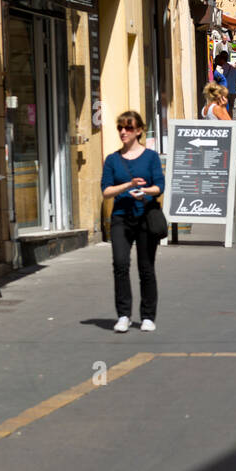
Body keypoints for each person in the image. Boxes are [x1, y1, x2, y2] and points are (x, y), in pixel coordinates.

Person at [101, 111, 166, 333]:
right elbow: (107, 191)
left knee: (146, 267)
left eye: (128, 128)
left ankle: (148, 316)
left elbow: (160, 186)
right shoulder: (112, 160)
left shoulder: (150, 157)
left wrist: (144, 191)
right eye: (120, 128)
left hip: (146, 215)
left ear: (139, 130)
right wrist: (128, 185)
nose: (123, 132)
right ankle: (124, 315)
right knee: (120, 264)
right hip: (121, 217)